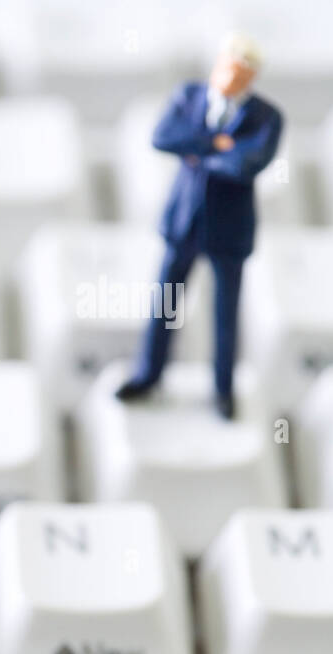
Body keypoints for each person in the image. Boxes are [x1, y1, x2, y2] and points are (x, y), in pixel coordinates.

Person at [115, 32, 283, 420]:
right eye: (228, 68)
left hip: (229, 229)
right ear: (218, 64)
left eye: (242, 74)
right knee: (166, 306)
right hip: (184, 221)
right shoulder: (187, 96)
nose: (231, 78)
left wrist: (197, 152)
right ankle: (148, 375)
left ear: (251, 79)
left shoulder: (266, 117)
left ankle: (222, 391)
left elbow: (245, 165)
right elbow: (162, 136)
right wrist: (215, 145)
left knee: (225, 315)